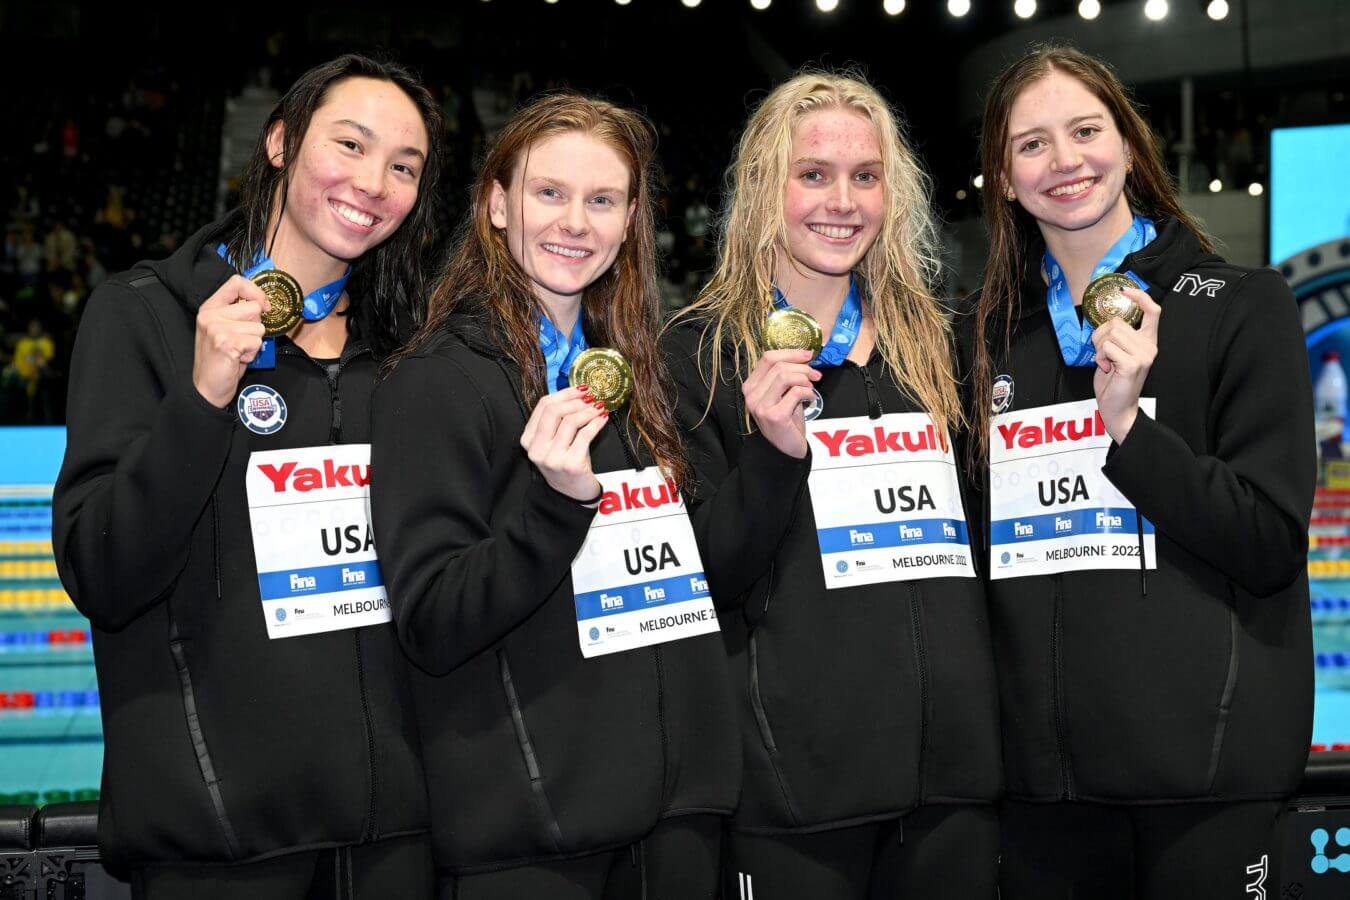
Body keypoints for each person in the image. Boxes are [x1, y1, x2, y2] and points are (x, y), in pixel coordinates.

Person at [53, 53, 443, 899]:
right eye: (350, 144)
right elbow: (103, 570)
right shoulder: (146, 314)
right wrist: (202, 397)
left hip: (399, 842)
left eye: (404, 167)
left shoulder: (416, 350)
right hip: (221, 846)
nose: (374, 182)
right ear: (280, 141)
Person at [962, 44, 1314, 900]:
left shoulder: (1239, 305)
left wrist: (1127, 433)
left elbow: (1268, 539)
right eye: (1032, 144)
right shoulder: (981, 339)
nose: (1066, 160)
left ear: (1127, 143)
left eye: (1085, 130)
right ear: (1004, 178)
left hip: (1203, 779)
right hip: (1044, 795)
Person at [371, 92, 738, 900]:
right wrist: (555, 509)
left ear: (631, 217)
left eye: (602, 200)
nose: (576, 222)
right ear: (497, 203)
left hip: (676, 821)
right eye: (550, 194)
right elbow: (431, 620)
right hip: (535, 837)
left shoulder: (639, 373)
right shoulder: (437, 381)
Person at [662, 71, 1001, 900]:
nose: (840, 201)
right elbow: (694, 578)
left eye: (865, 176)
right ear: (761, 188)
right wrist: (774, 457)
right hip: (796, 794)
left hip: (952, 790)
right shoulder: (697, 356)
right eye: (812, 174)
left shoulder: (940, 343)